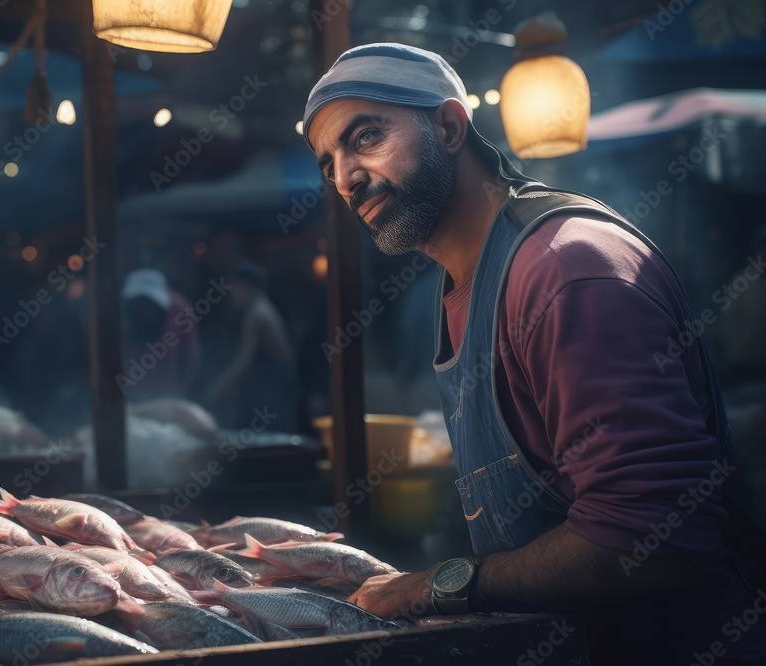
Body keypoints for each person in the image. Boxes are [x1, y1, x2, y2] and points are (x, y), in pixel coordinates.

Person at [303, 43, 766, 665]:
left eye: (365, 137)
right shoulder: (462, 281)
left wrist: (435, 587)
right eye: (328, 163)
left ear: (449, 127)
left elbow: (657, 538)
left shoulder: (562, 267)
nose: (345, 178)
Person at [207, 261, 297, 431]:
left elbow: (244, 362)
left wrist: (218, 388)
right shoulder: (263, 309)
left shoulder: (256, 315)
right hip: (277, 387)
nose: (232, 294)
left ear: (245, 287)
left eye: (235, 288)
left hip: (273, 390)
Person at [121, 268, 200, 401]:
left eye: (150, 304)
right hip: (127, 396)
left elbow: (191, 354)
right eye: (140, 303)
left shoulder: (181, 312)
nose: (145, 310)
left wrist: (182, 390)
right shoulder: (116, 314)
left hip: (169, 394)